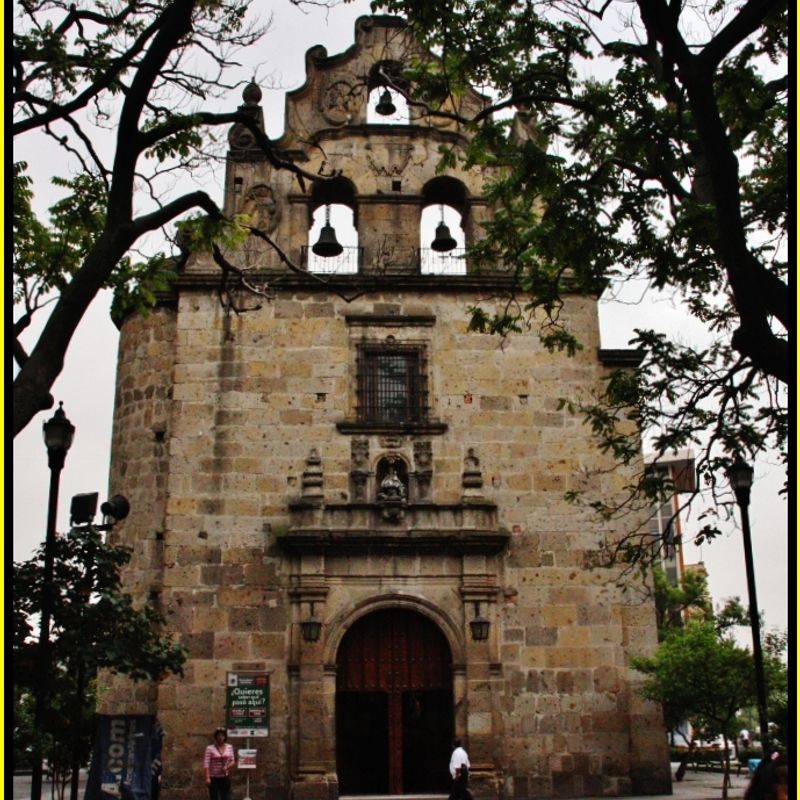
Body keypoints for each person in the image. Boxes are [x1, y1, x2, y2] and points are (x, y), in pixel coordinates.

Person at [204, 727, 236, 800]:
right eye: (219, 735)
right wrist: (207, 777)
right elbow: (206, 763)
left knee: (226, 797)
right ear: (216, 737)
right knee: (214, 797)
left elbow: (233, 761)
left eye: (222, 735)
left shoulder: (229, 747)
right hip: (214, 777)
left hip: (225, 776)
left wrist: (227, 767)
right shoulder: (210, 748)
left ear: (225, 737)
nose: (220, 737)